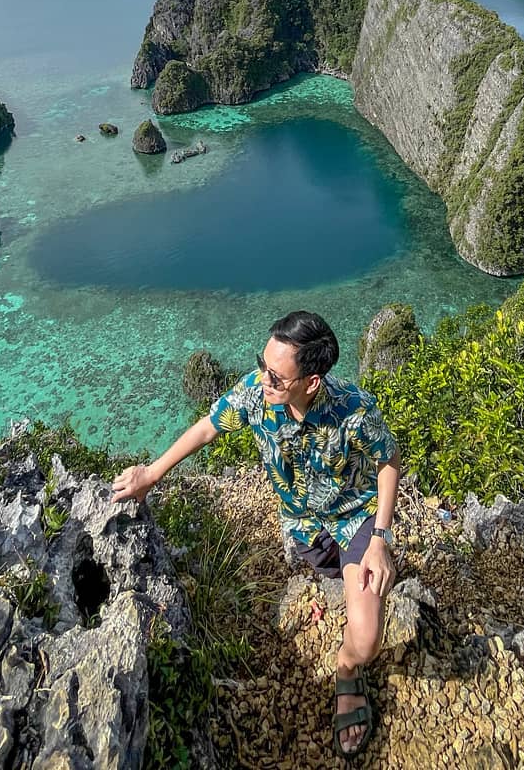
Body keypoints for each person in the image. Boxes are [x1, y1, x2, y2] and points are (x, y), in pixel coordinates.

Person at [112, 310, 401, 760]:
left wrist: (379, 539)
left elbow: (388, 461)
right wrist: (151, 473)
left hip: (354, 517)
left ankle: (347, 672)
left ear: (312, 382)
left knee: (365, 638)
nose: (264, 380)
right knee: (332, 575)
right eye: (263, 366)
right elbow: (208, 427)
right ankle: (343, 578)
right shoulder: (255, 392)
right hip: (303, 527)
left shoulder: (353, 410)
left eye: (277, 377)